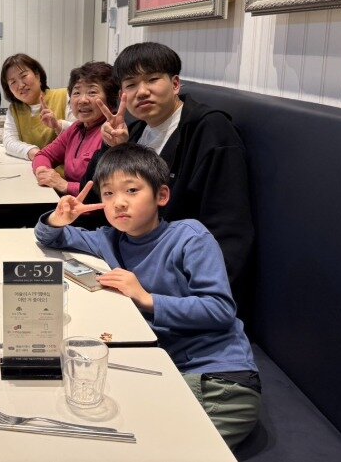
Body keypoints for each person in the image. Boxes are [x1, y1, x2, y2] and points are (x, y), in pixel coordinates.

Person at [35, 143, 260, 449]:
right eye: (108, 193)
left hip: (218, 380)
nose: (119, 203)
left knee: (149, 448)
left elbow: (220, 310)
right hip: (168, 368)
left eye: (132, 190)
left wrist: (145, 297)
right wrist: (57, 219)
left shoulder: (190, 237)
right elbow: (52, 237)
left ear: (161, 196)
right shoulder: (109, 239)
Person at [83, 42, 254, 283]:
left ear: (175, 84)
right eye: (131, 84)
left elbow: (229, 227)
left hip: (176, 275)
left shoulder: (211, 131)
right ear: (122, 95)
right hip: (128, 256)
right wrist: (113, 149)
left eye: (152, 79)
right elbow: (92, 199)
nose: (142, 92)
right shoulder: (135, 131)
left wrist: (200, 291)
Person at [32, 62, 119, 195]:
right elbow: (44, 155)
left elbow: (110, 190)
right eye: (76, 92)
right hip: (69, 202)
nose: (82, 100)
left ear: (111, 98)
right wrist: (43, 172)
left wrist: (65, 185)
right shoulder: (76, 128)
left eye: (92, 92)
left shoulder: (114, 133)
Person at [0, 53, 73, 160]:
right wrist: (36, 154)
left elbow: (81, 132)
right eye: (13, 82)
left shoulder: (65, 96)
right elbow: (9, 141)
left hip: (66, 166)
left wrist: (58, 125)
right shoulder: (14, 109)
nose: (21, 85)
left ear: (37, 75)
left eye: (24, 76)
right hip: (34, 165)